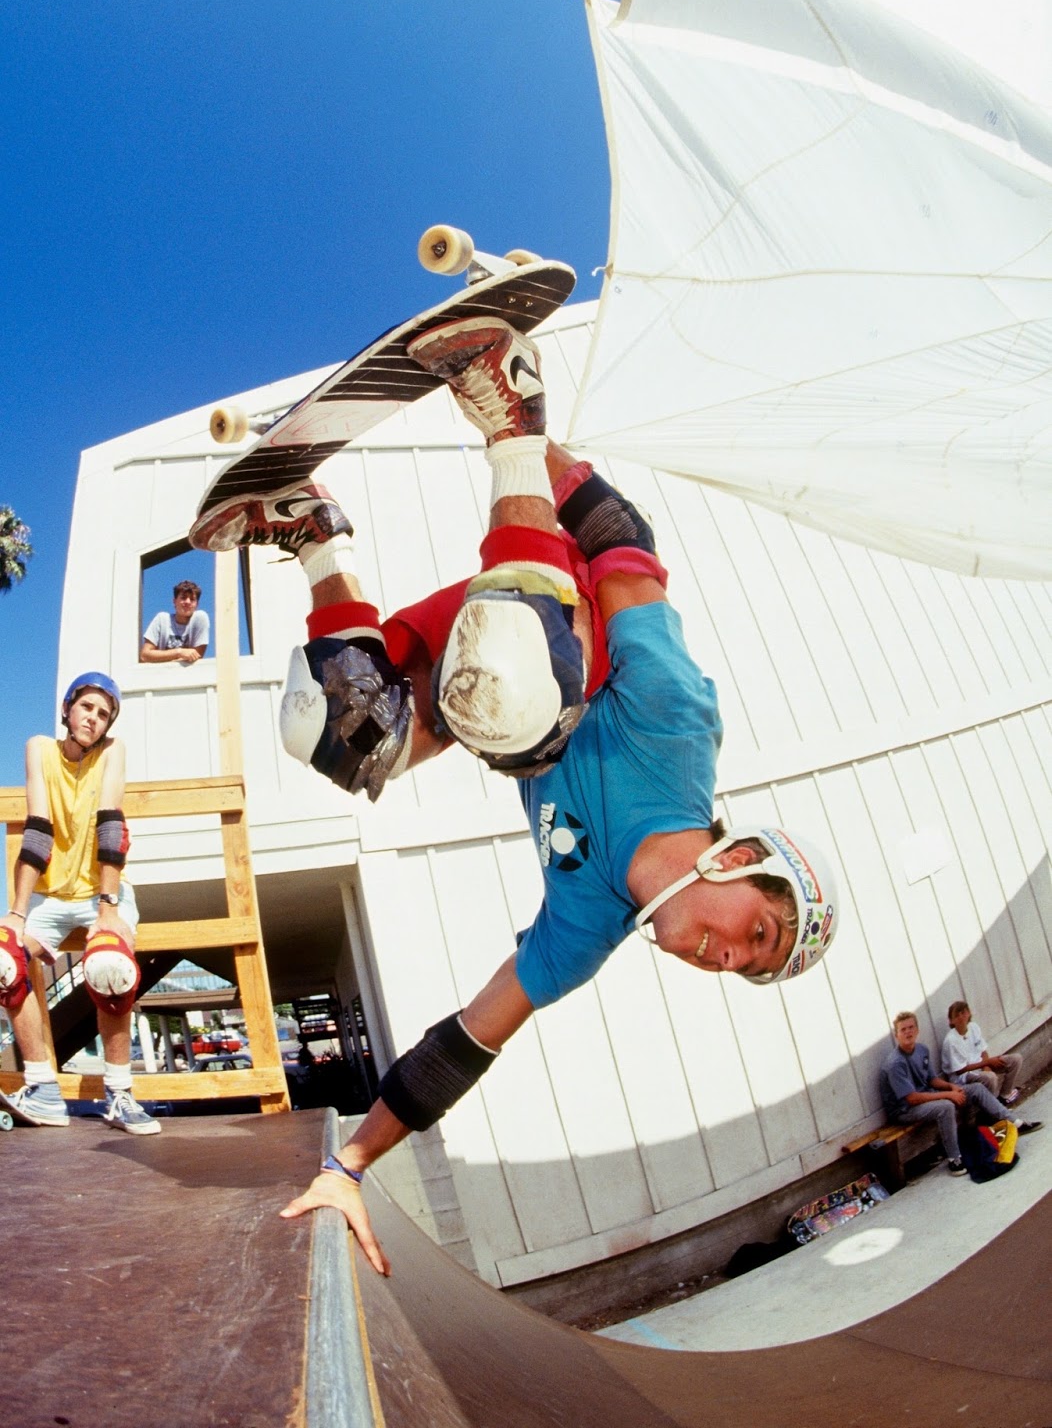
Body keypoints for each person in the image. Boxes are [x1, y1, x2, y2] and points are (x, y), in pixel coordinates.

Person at [191, 313, 840, 1272]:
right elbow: (626, 551)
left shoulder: (585, 932)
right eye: (756, 931)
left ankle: (310, 529)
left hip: (484, 684)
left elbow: (466, 1041)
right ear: (740, 860)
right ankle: (508, 401)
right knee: (518, 713)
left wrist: (354, 1167)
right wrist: (513, 427)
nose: (724, 955)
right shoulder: (678, 733)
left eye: (745, 968)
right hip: (541, 603)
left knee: (347, 742)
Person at [0, 673, 161, 1134]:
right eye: (87, 707)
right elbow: (38, 828)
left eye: (103, 714)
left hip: (101, 892)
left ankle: (120, 1094)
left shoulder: (112, 752)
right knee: (3, 960)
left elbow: (111, 825)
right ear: (69, 709)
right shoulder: (39, 748)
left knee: (110, 965)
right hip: (54, 897)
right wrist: (17, 910)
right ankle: (42, 1089)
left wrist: (109, 906)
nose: (93, 718)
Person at [879, 1011, 1039, 1179]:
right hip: (904, 1110)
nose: (908, 1032)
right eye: (903, 1029)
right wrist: (948, 1095)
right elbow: (912, 1098)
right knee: (946, 1106)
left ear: (917, 1030)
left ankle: (1016, 1123)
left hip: (925, 1097)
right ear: (896, 1035)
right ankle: (954, 1159)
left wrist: (951, 1087)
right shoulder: (895, 1063)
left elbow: (932, 1079)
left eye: (911, 1027)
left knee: (976, 1088)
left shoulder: (921, 1050)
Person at [942, 1000, 1021, 1103]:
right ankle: (992, 1109)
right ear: (951, 1021)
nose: (961, 1017)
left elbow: (983, 1051)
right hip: (963, 1076)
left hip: (980, 1066)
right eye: (956, 1016)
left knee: (1016, 1059)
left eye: (963, 1013)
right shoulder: (951, 1040)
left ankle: (1004, 1096)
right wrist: (986, 1063)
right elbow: (959, 1070)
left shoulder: (973, 1027)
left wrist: (986, 1066)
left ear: (969, 1013)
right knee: (990, 1077)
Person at [140, 579, 209, 663]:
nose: (187, 602)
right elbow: (145, 655)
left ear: (197, 604)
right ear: (174, 601)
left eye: (192, 599)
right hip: (160, 673)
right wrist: (178, 652)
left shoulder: (200, 619)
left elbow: (196, 657)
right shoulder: (162, 619)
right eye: (183, 598)